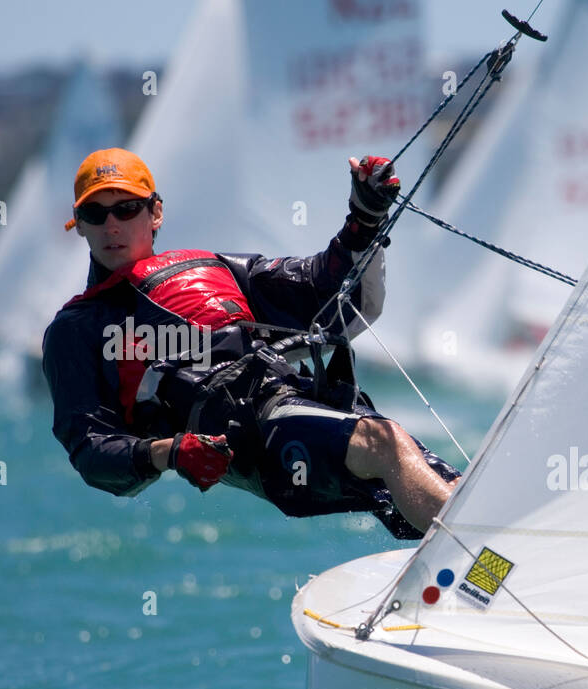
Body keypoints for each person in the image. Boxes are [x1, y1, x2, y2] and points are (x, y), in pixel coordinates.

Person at [42, 147, 458, 540]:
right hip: (254, 436)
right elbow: (90, 450)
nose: (111, 225)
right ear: (79, 224)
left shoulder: (217, 268)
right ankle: (484, 561)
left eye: (127, 208)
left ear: (156, 212)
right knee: (384, 444)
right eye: (95, 213)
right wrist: (169, 452)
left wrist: (364, 218)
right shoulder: (76, 329)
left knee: (439, 479)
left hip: (303, 400)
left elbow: (326, 291)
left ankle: (488, 570)